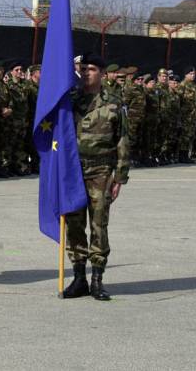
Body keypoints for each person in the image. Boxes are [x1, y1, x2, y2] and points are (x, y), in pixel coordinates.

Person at [62, 52, 129, 301]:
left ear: (102, 73)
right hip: (74, 171)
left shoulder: (113, 101)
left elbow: (122, 139)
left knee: (99, 225)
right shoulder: (70, 99)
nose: (86, 73)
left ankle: (97, 279)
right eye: (83, 68)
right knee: (74, 224)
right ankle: (79, 277)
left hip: (101, 171)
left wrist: (120, 177)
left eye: (91, 69)